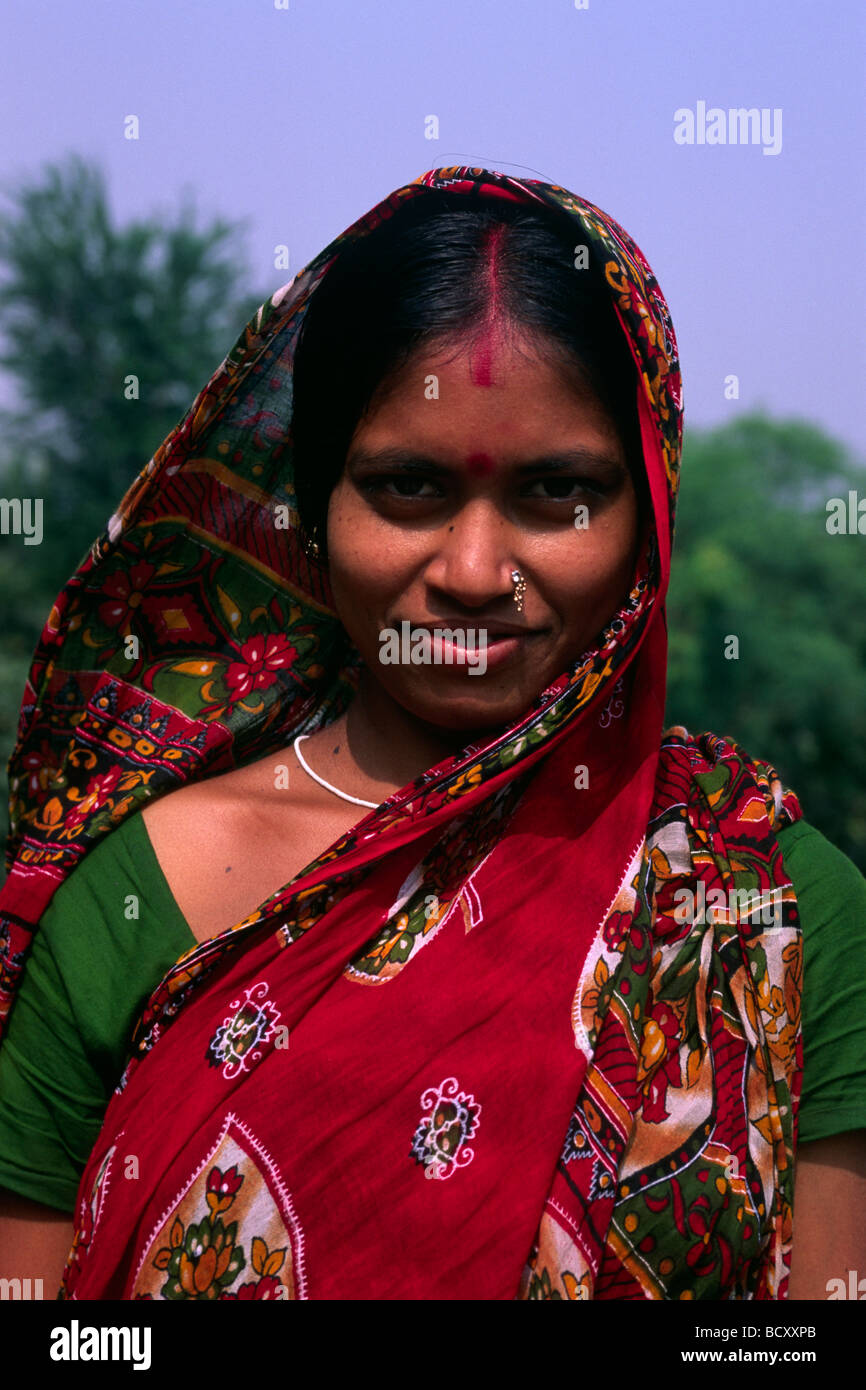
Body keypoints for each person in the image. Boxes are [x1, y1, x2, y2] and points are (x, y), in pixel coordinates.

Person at [0, 166, 864, 1301]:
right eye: (405, 487)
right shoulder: (134, 893)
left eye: (558, 493)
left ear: (645, 522)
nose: (470, 574)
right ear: (310, 516)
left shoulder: (770, 901)